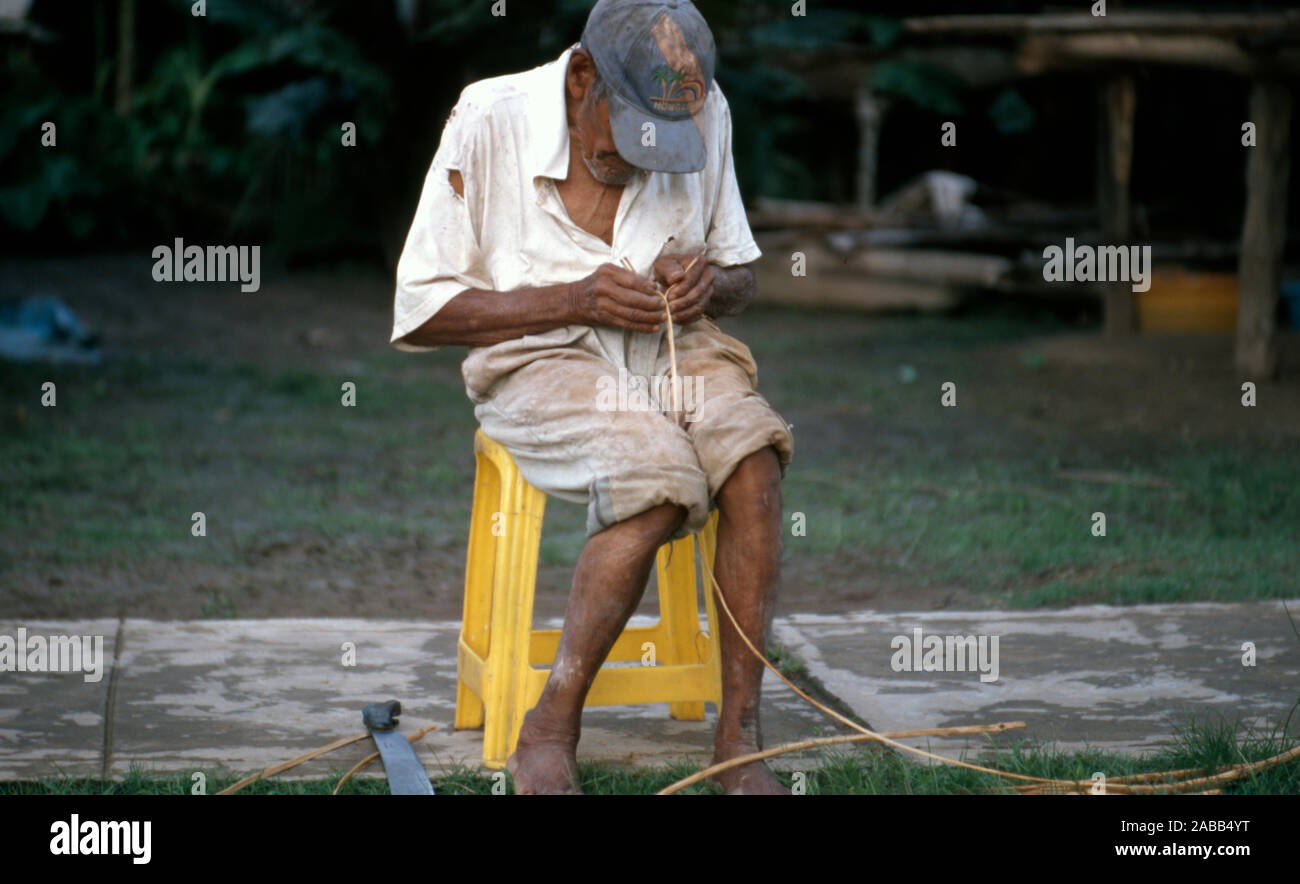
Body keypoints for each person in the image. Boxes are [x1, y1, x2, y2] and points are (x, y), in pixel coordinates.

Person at [391, 0, 794, 794]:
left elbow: (741, 273)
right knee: (655, 479)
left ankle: (738, 742)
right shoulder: (490, 116)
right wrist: (574, 300)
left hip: (673, 345)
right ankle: (549, 727)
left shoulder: (703, 106)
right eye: (627, 140)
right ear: (583, 79)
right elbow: (423, 312)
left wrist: (711, 286)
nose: (641, 163)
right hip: (539, 354)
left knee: (754, 463)